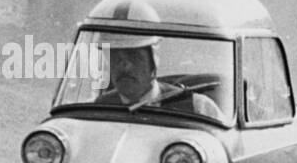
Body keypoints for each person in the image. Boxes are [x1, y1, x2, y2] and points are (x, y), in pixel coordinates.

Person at [94, 33, 225, 122]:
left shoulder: (198, 107)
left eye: (134, 57)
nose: (124, 67)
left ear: (153, 62)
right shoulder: (98, 108)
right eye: (115, 57)